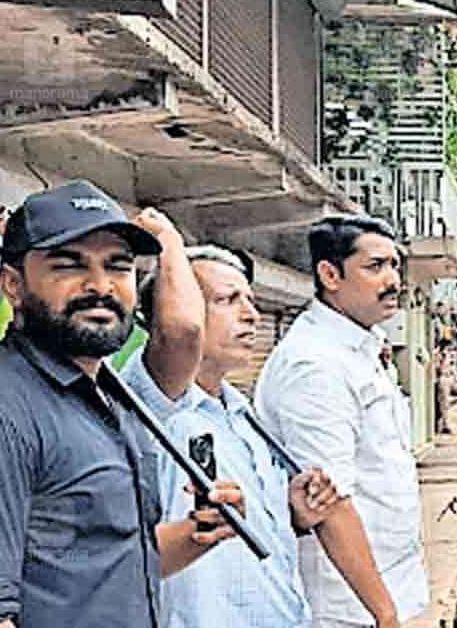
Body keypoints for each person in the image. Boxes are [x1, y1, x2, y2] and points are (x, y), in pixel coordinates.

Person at [0, 181, 246, 628]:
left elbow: (107, 566)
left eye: (118, 267)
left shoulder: (108, 397)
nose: (100, 286)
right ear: (12, 285)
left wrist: (197, 533)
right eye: (69, 266)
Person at [122, 244, 363, 628]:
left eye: (249, 300)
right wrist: (166, 239)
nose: (251, 315)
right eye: (227, 300)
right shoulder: (153, 402)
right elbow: (177, 334)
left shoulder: (242, 416)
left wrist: (293, 515)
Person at [256, 214, 426, 628]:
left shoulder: (362, 347)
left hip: (391, 580)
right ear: (330, 274)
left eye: (395, 265)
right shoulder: (314, 364)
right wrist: (383, 614)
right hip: (347, 602)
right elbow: (329, 503)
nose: (393, 280)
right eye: (375, 267)